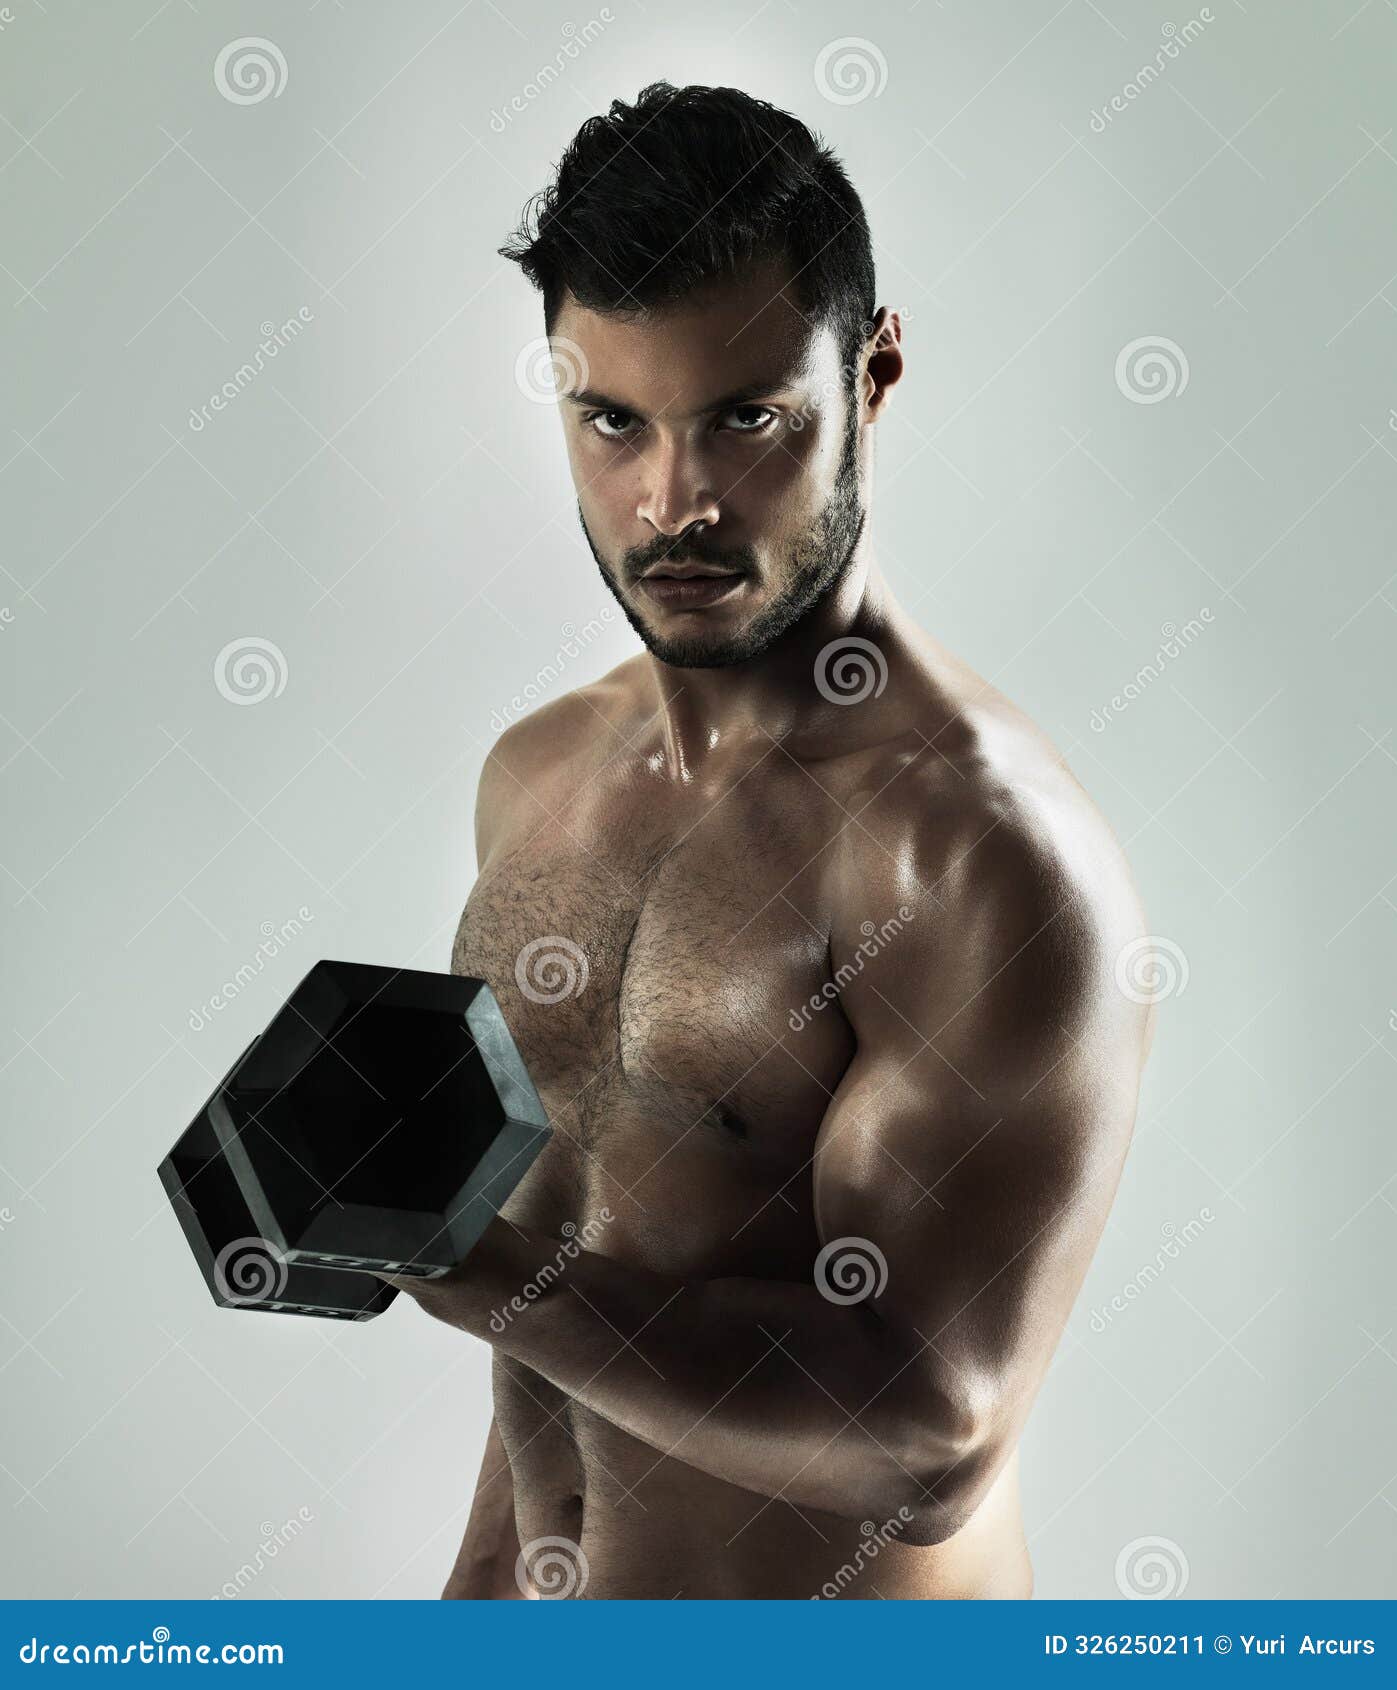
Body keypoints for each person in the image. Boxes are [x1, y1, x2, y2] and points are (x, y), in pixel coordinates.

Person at [384, 81, 1154, 1600]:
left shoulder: (976, 853)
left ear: (874, 375)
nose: (674, 501)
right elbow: (555, 1347)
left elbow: (932, 1438)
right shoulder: (533, 781)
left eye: (746, 419)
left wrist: (473, 1272)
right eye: (614, 422)